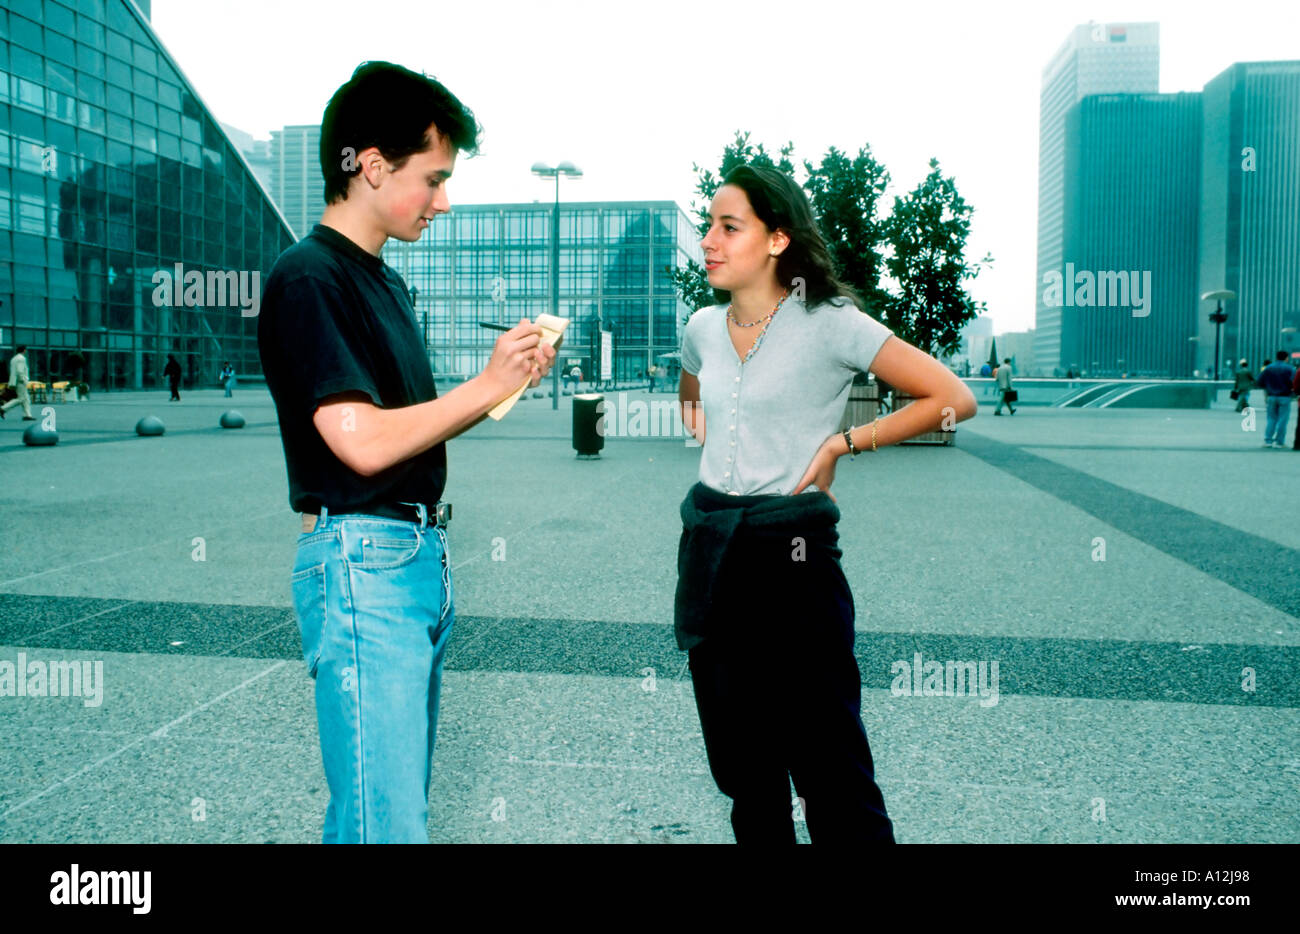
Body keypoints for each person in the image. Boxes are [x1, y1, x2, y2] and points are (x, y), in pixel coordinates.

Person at [258, 62, 554, 844]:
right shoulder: (309, 278)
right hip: (363, 560)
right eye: (434, 179)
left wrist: (505, 381)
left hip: (411, 559)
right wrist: (487, 384)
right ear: (373, 165)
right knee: (385, 828)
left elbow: (406, 426)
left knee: (383, 818)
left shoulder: (383, 283)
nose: (445, 201)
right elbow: (357, 443)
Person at [676, 163, 977, 844]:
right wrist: (706, 426)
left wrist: (846, 441)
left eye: (729, 226)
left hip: (794, 559)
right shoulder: (700, 325)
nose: (709, 241)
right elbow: (691, 385)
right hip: (711, 553)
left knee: (830, 770)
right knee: (745, 777)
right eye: (708, 226)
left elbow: (953, 398)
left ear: (778, 238)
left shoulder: (829, 322)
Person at [1258, 350, 1295, 449]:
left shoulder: (1268, 368)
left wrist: (1268, 388)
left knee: (1271, 419)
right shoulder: (1290, 369)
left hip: (1271, 396)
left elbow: (1260, 381)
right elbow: (1294, 383)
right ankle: (1279, 442)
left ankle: (1268, 441)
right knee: (1283, 420)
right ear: (1286, 358)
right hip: (1285, 396)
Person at [1, 344, 34, 420]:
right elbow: (20, 371)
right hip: (20, 381)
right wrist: (23, 380)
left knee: (26, 399)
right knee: (21, 399)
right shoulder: (21, 358)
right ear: (24, 350)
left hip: (15, 381)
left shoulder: (14, 358)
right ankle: (3, 408)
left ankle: (27, 415)